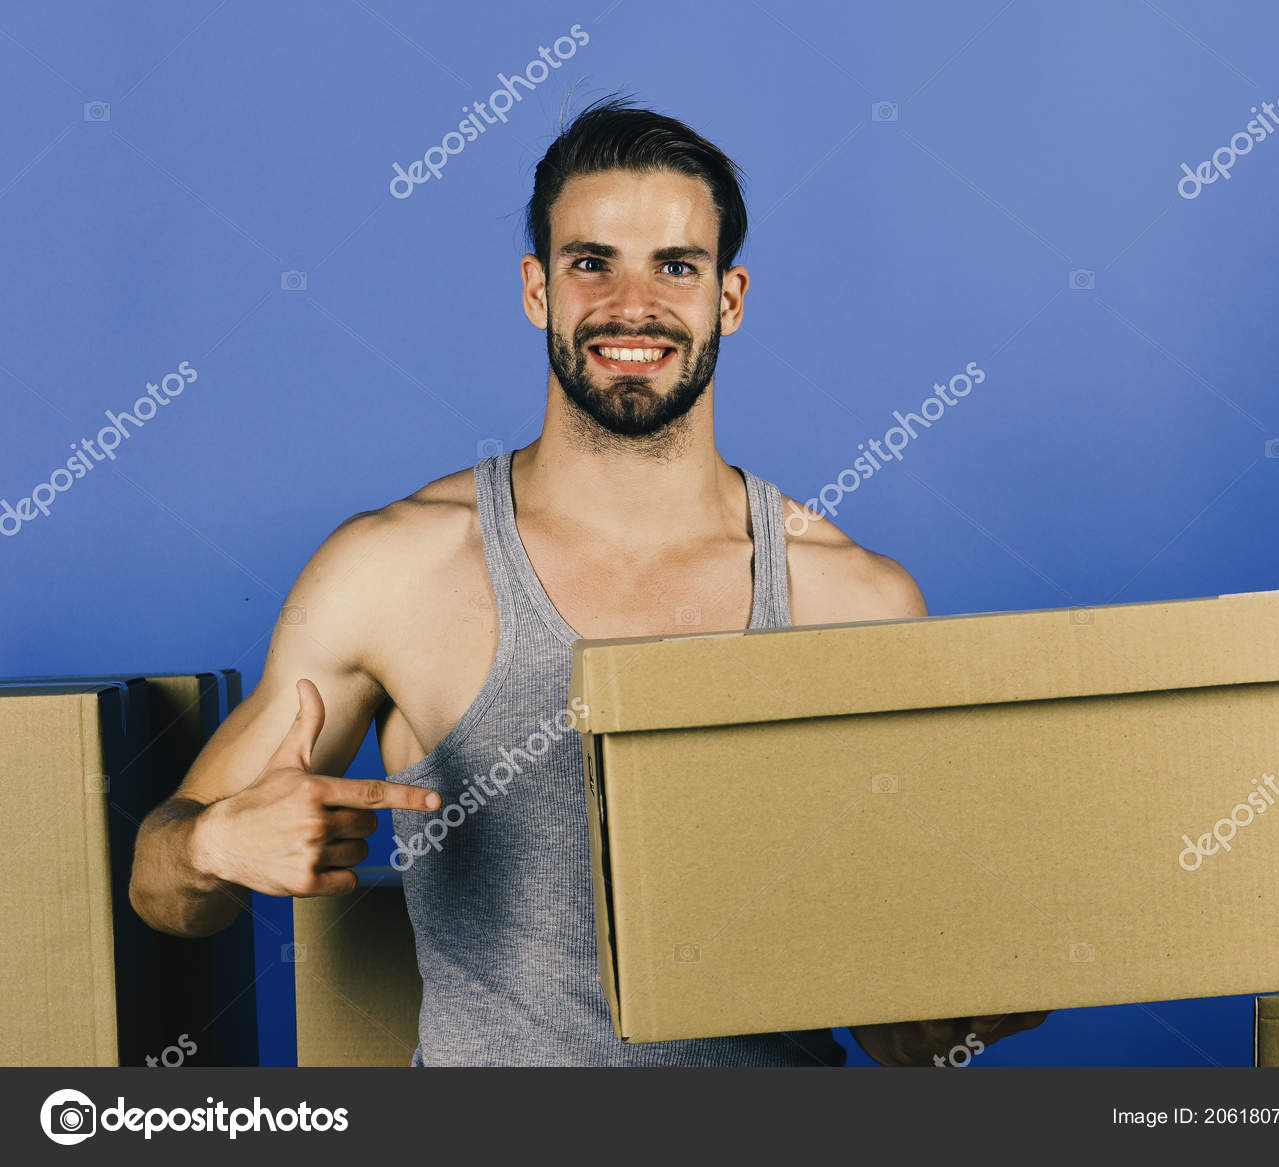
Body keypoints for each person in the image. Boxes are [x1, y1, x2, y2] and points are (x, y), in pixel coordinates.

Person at [130, 95, 1047, 1066]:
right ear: (538, 290)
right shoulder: (393, 569)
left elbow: (889, 1023)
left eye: (676, 267)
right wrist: (212, 848)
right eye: (591, 262)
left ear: (727, 299)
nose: (632, 306)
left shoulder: (851, 601)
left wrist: (959, 1017)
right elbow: (159, 887)